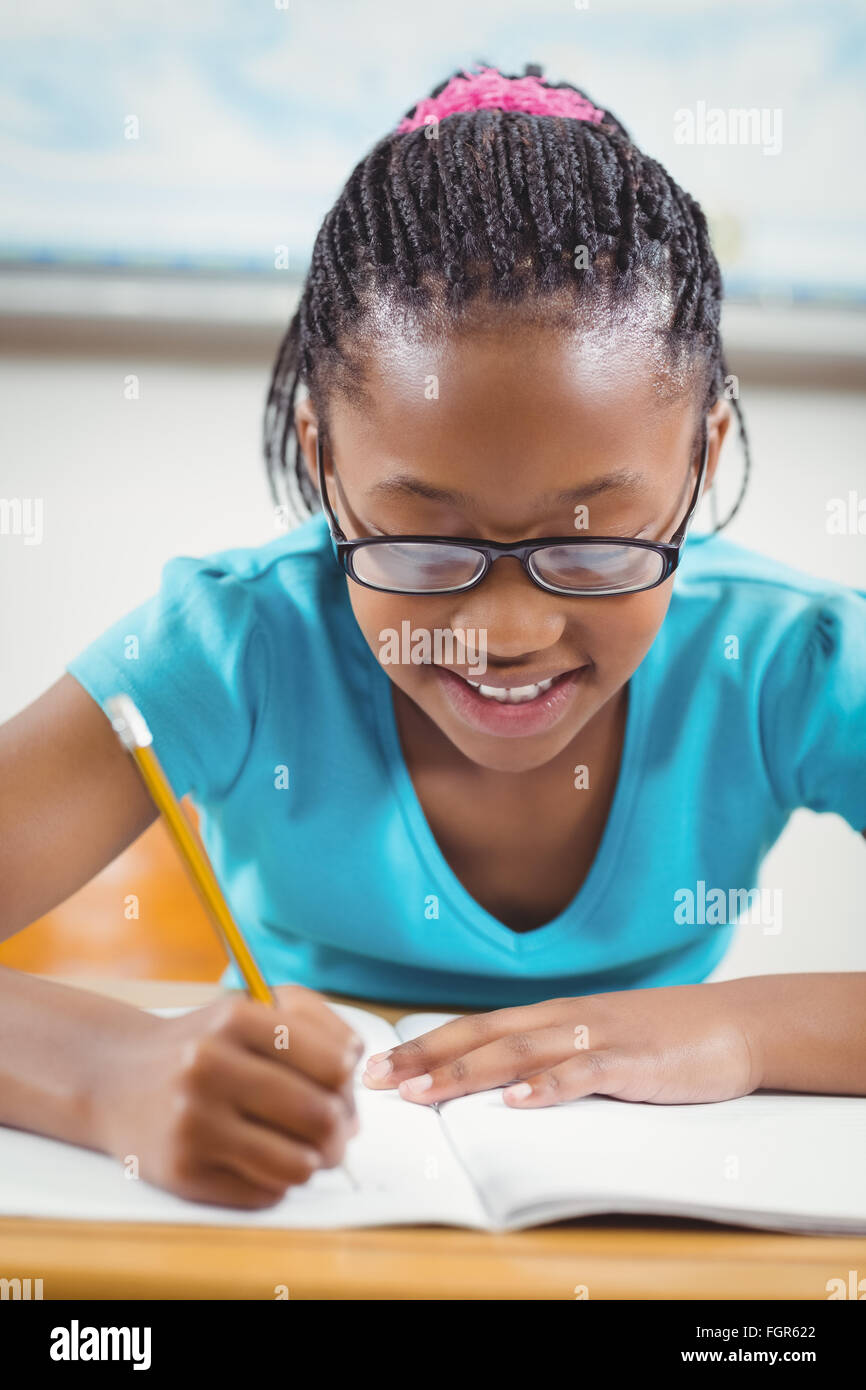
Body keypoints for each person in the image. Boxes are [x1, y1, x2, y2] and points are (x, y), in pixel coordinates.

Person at [2, 64, 864, 1209]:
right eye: (419, 541)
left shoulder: (780, 659)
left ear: (699, 457)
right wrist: (105, 1071)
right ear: (321, 456)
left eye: (594, 543)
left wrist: (739, 1031)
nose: (506, 632)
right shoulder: (231, 645)